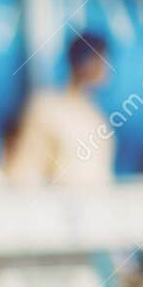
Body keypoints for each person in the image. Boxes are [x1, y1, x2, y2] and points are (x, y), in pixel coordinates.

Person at [7, 31, 113, 187]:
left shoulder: (95, 115)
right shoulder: (48, 108)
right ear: (85, 62)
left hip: (96, 206)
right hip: (60, 206)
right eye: (101, 61)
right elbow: (26, 169)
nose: (106, 69)